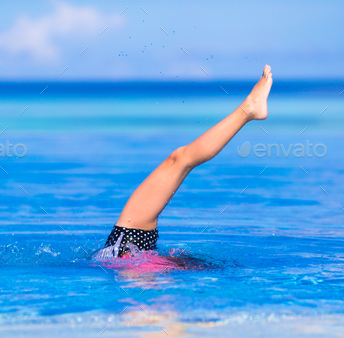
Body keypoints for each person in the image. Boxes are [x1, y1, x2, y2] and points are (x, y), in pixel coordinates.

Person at [93, 65, 273, 260]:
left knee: (180, 160)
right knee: (180, 159)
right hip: (126, 248)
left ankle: (249, 109)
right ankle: (248, 109)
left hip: (126, 252)